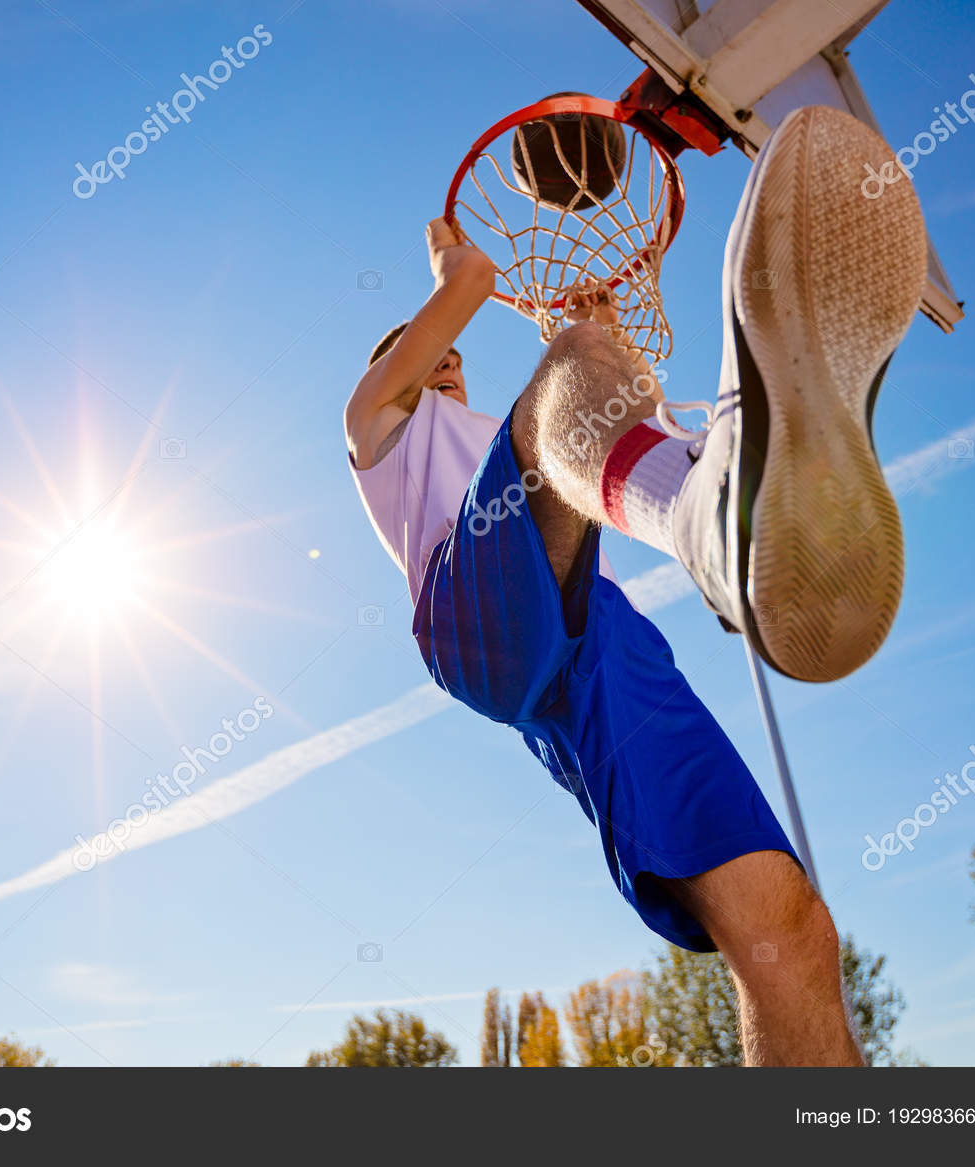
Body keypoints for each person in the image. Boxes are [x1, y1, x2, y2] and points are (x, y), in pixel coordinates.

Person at [345, 105, 927, 1065]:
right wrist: (447, 256)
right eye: (421, 354)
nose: (442, 360)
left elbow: (593, 413)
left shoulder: (500, 429)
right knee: (574, 372)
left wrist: (599, 340)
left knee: (790, 936)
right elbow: (477, 282)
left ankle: (718, 509)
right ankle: (707, 518)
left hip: (599, 636)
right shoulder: (374, 425)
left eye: (449, 358)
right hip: (471, 610)